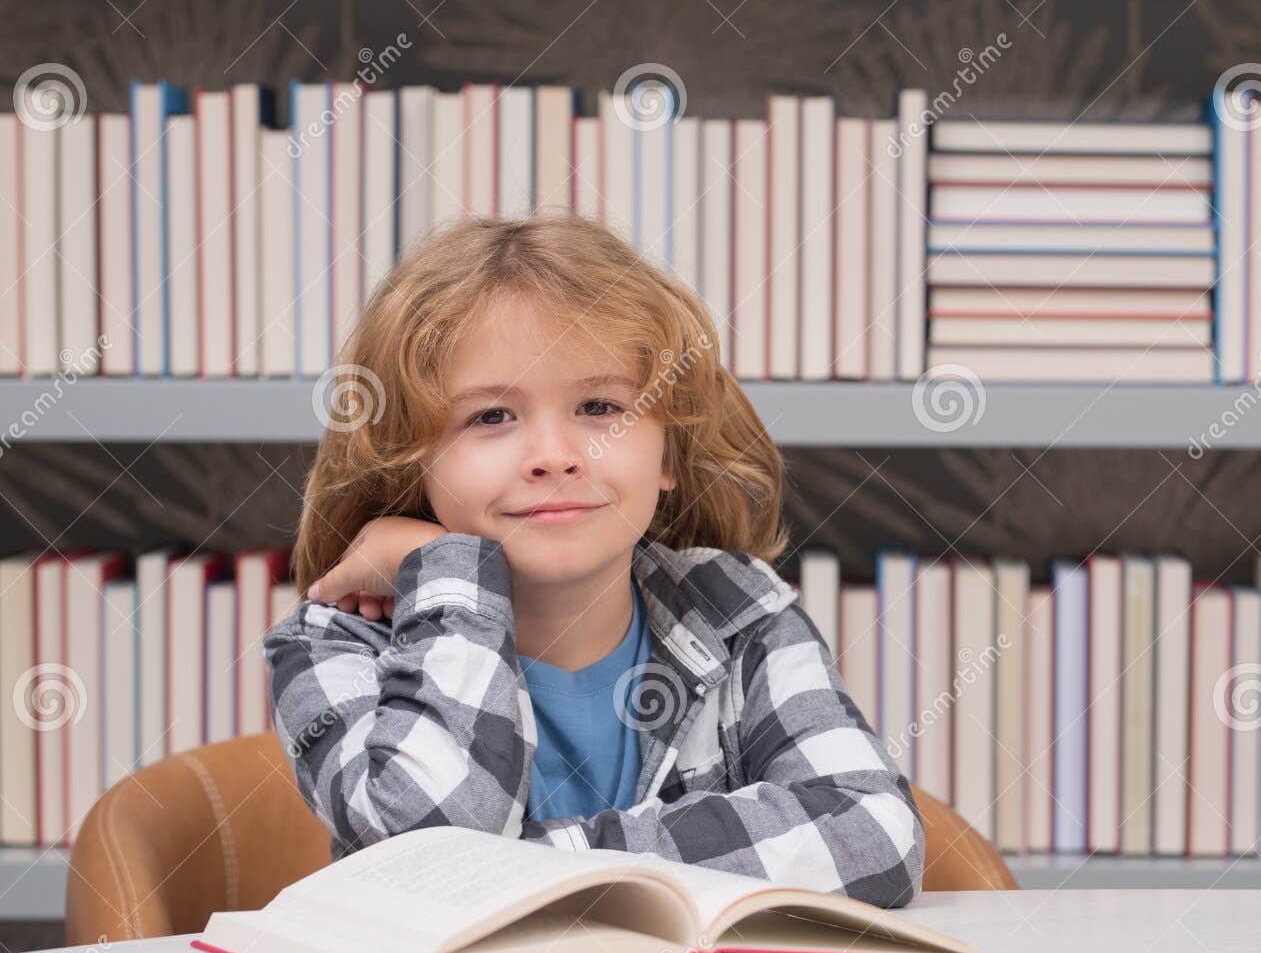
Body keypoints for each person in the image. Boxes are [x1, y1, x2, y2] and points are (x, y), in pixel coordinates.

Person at [263, 211, 924, 909]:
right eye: (491, 417)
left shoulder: (741, 617)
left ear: (671, 451)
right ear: (410, 462)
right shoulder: (331, 646)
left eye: (601, 405)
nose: (555, 457)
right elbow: (430, 845)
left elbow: (874, 836)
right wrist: (446, 569)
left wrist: (535, 869)